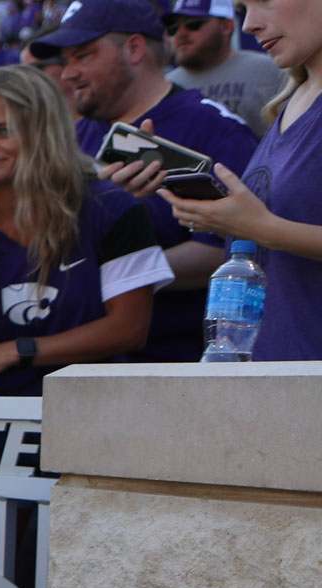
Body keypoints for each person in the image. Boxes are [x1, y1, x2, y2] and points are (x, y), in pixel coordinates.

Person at [0, 65, 173, 394]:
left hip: (94, 415)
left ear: (42, 132)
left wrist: (12, 352)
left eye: (3, 130)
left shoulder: (111, 210)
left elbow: (129, 328)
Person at [36, 0, 260, 361]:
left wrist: (116, 270)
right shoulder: (74, 137)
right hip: (83, 362)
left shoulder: (215, 130)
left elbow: (231, 252)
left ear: (135, 49)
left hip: (178, 364)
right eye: (67, 60)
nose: (68, 73)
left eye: (83, 56)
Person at [164, 0, 322, 360]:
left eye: (264, 1)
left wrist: (264, 228)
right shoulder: (293, 97)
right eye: (242, 7)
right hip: (269, 375)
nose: (248, 24)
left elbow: (272, 229)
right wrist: (219, 217)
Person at [166, 0, 286, 136]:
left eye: (193, 24)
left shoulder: (269, 70)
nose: (180, 34)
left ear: (226, 27)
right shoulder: (165, 86)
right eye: (173, 28)